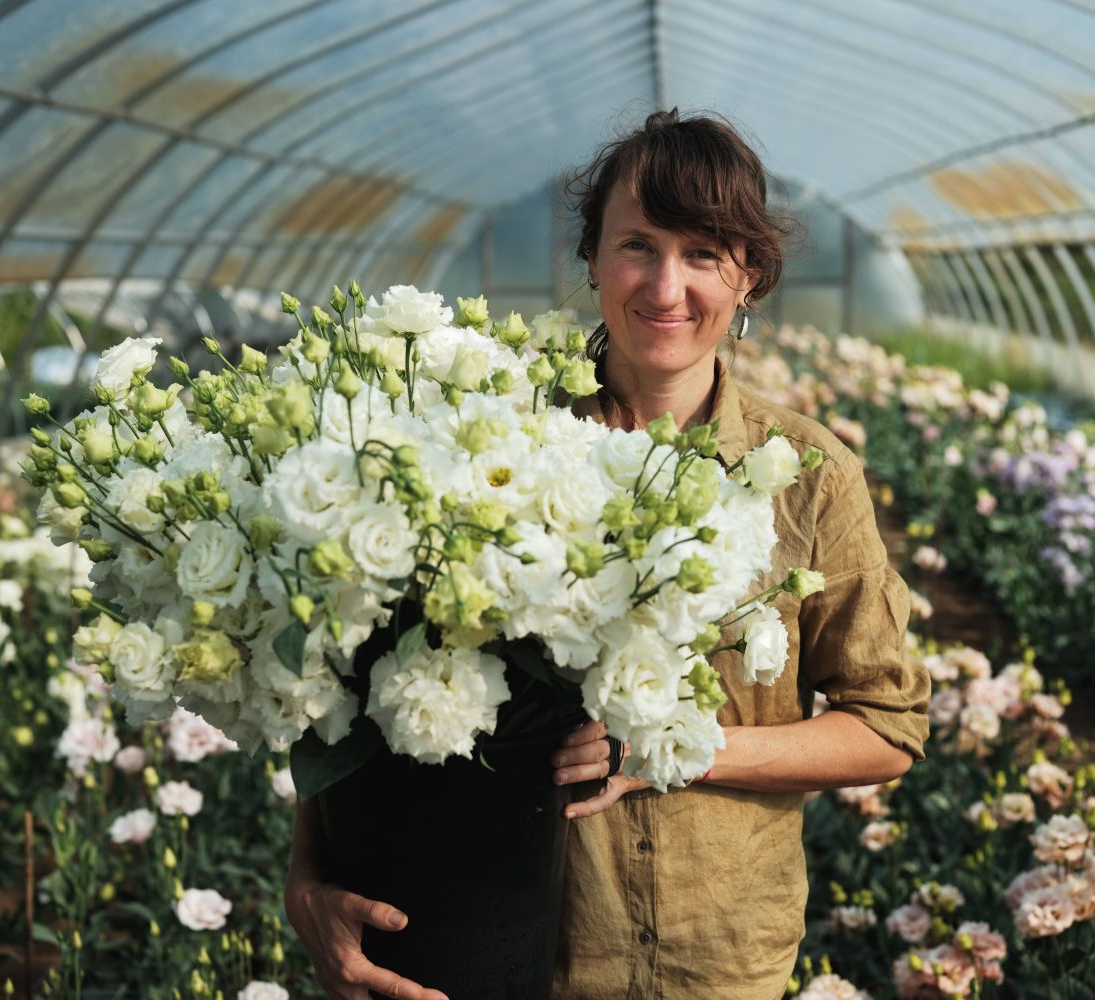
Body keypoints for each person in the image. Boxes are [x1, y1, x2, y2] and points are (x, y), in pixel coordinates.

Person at [284, 108, 929, 1000]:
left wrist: (679, 745)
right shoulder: (494, 448)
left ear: (749, 276)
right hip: (515, 949)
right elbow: (353, 686)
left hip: (723, 960)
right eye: (638, 244)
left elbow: (886, 726)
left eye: (704, 253)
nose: (666, 288)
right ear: (590, 257)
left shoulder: (805, 473)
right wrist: (307, 879)